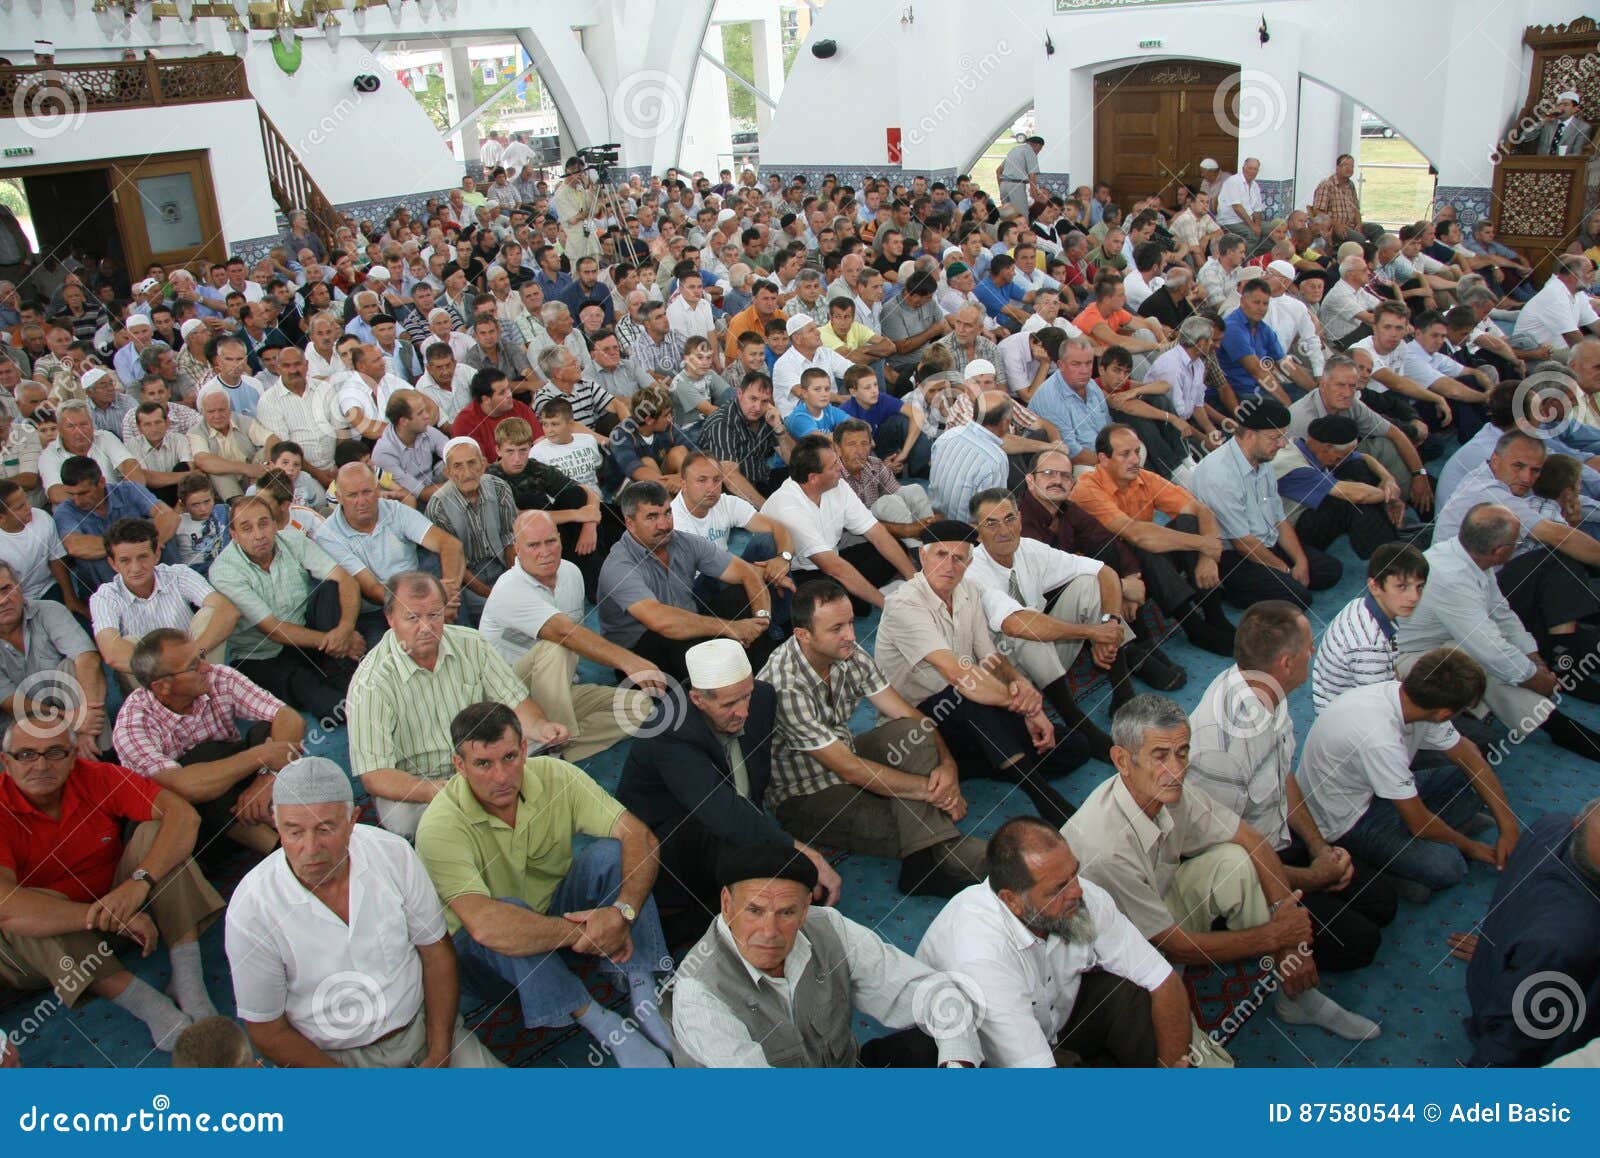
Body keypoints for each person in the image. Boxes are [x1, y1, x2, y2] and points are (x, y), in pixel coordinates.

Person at [1066, 695, 1380, 1042]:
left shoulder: (1168, 790)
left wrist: (1285, 922)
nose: (1176, 768)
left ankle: (1296, 999)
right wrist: (1279, 935)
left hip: (1155, 907)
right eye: (1160, 756)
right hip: (1107, 960)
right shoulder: (1105, 847)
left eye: (1182, 752)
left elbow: (1252, 840)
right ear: (1122, 760)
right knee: (1197, 1064)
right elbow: (1177, 946)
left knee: (1236, 861)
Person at [414, 701, 675, 1067]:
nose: (501, 776)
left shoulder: (555, 775)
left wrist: (623, 912)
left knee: (611, 854)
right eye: (483, 764)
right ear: (459, 766)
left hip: (558, 913)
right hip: (487, 959)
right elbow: (485, 925)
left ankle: (641, 987)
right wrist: (586, 933)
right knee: (503, 918)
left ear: (524, 749)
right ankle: (601, 1022)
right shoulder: (439, 825)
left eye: (509, 757)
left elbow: (639, 837)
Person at [226, 756, 502, 1068]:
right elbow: (268, 1030)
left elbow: (436, 953)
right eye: (294, 832)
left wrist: (439, 1050)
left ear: (353, 820)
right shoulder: (251, 909)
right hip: (331, 1061)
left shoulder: (394, 855)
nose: (311, 848)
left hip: (423, 1028)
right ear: (276, 823)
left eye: (325, 828)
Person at [1188, 602, 1398, 973]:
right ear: (1286, 663)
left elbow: (1284, 776)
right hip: (1244, 869)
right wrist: (1313, 878)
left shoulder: (1266, 689)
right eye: (1308, 647)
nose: (1314, 653)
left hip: (1277, 838)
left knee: (1384, 902)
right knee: (1362, 944)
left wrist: (1319, 848)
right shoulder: (1219, 749)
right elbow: (1228, 858)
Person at [0, 708, 226, 1051]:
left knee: (157, 833)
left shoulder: (97, 775)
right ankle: (151, 1008)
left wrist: (139, 882)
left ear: (73, 756)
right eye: (26, 755)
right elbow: (7, 905)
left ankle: (189, 981)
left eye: (55, 753)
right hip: (43, 953)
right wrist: (108, 915)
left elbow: (183, 816)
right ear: (6, 761)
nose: (41, 765)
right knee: (22, 907)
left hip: (125, 910)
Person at [755, 578, 987, 897]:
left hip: (848, 752)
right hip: (806, 795)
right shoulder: (785, 684)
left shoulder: (846, 650)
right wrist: (932, 793)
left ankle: (924, 859)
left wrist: (949, 767)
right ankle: (965, 862)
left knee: (913, 733)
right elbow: (848, 769)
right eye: (837, 628)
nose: (851, 634)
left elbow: (906, 713)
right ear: (803, 635)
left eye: (850, 622)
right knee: (915, 826)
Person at [670, 841, 983, 1068]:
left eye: (787, 912)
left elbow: (933, 995)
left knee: (941, 1044)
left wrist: (957, 1066)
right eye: (754, 910)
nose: (769, 931)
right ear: (726, 904)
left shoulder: (828, 926)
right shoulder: (697, 991)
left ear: (807, 907)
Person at [916, 817, 1194, 1067]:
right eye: (1059, 888)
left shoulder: (1082, 898)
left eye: (1074, 873)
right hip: (993, 1058)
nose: (1077, 891)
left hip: (1054, 1022)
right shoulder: (980, 953)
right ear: (1012, 901)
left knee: (1131, 994)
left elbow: (1164, 982)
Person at [617, 636, 843, 920]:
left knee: (795, 883)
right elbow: (720, 812)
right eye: (729, 705)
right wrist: (800, 852)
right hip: (668, 837)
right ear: (697, 699)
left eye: (746, 695)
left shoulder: (761, 697)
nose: (744, 712)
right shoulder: (668, 732)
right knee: (782, 885)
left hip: (725, 814)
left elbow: (749, 790)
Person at [878, 520, 1087, 828]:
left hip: (969, 704)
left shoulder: (969, 591)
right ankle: (1044, 798)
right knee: (965, 700)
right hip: (916, 724)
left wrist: (1020, 684)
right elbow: (957, 674)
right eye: (941, 555)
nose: (949, 565)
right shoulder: (903, 604)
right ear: (922, 557)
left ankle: (983, 761)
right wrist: (1023, 707)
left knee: (1073, 747)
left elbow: (990, 658)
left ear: (969, 562)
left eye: (959, 558)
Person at [346, 571, 568, 839]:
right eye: (413, 618)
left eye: (434, 615)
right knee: (402, 819)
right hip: (422, 781)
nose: (426, 627)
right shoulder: (370, 683)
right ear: (390, 619)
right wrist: (434, 789)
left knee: (538, 746)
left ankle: (492, 811)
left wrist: (542, 727)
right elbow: (375, 774)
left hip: (482, 760)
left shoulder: (471, 643)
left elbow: (516, 703)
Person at [1296, 648, 1519, 903]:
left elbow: (1469, 757)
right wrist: (1473, 848)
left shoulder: (1411, 697)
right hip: (1345, 821)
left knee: (1468, 777)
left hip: (1376, 792)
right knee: (1449, 867)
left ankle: (1420, 845)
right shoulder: (1381, 738)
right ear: (1445, 714)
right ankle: (1389, 869)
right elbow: (1419, 822)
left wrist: (1508, 827)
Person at [1395, 505, 1600, 761]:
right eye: (1517, 541)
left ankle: (1548, 722)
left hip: (1444, 641)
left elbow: (1502, 613)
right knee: (1483, 661)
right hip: (1403, 658)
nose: (1520, 544)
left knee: (1495, 658)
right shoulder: (1450, 577)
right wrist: (1537, 680)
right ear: (1500, 551)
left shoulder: (1471, 557)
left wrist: (1534, 660)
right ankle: (1560, 729)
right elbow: (1491, 649)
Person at [967, 487, 1147, 759]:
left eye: (1009, 518)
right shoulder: (973, 570)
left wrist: (1109, 623)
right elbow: (1016, 625)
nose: (1003, 530)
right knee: (1026, 628)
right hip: (1003, 672)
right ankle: (1074, 719)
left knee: (1088, 583)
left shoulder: (1029, 548)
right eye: (990, 523)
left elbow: (1103, 571)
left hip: (1044, 658)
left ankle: (1122, 692)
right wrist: (1091, 632)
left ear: (1020, 517)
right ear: (976, 530)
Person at [478, 511, 655, 759]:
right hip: (511, 699)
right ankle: (549, 744)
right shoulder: (509, 589)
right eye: (533, 545)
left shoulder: (571, 573)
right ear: (517, 549)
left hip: (558, 689)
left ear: (560, 540)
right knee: (556, 646)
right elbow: (566, 634)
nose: (545, 551)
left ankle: (553, 746)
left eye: (550, 541)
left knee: (641, 707)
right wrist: (629, 661)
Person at [112, 628, 301, 857]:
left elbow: (288, 716)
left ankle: (290, 819)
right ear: (162, 686)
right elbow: (184, 786)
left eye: (201, 655)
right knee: (200, 773)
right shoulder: (132, 726)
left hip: (239, 788)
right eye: (193, 666)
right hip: (194, 827)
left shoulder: (217, 677)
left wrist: (266, 778)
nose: (207, 667)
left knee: (267, 731)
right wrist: (261, 756)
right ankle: (282, 852)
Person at [1070, 427, 1238, 656]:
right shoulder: (1087, 488)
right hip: (1114, 572)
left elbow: (1200, 510)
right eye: (1125, 454)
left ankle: (1214, 614)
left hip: (1147, 558)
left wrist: (1207, 556)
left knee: (1188, 522)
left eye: (1137, 452)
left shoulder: (1144, 477)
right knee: (1143, 544)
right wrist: (1202, 544)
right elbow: (1136, 534)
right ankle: (1193, 627)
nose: (1135, 460)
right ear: (1103, 459)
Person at [1460, 801, 1600, 1066]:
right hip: (1520, 1004)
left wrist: (1505, 953)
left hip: (1504, 967)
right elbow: (1511, 1041)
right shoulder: (1572, 941)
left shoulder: (1553, 822)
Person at [598, 480, 779, 682]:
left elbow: (745, 572)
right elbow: (660, 621)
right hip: (641, 652)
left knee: (740, 595)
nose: (664, 524)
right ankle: (719, 691)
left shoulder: (683, 541)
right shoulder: (618, 566)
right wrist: (730, 627)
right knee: (672, 635)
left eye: (667, 513)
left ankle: (765, 681)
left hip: (689, 628)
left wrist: (760, 620)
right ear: (630, 524)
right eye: (652, 517)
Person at [206, 494, 366, 718]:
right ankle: (346, 691)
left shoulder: (293, 540)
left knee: (331, 588)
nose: (259, 534)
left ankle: (341, 667)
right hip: (263, 655)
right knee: (317, 694)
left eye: (263, 524)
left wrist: (346, 629)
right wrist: (339, 641)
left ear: (274, 524)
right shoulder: (224, 571)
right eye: (247, 528)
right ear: (234, 535)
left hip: (310, 636)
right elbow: (273, 629)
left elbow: (345, 579)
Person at [1189, 398, 1341, 608]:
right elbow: (1242, 543)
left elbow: (1279, 518)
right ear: (1250, 435)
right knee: (1297, 597)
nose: (1283, 444)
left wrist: (1300, 561)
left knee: (1329, 570)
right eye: (1275, 437)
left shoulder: (1264, 460)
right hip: (1233, 555)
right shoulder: (1219, 474)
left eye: (1283, 436)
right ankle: (1231, 590)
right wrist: (1286, 570)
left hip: (1266, 541)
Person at [761, 433, 916, 614]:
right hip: (796, 574)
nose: (840, 469)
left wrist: (917, 583)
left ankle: (861, 596)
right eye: (834, 465)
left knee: (894, 547)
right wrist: (886, 606)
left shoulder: (837, 485)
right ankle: (866, 599)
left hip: (832, 559)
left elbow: (876, 532)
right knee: (836, 605)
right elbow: (834, 568)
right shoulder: (788, 508)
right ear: (813, 478)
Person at [315, 462, 466, 640]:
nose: (361, 501)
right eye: (352, 495)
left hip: (424, 594)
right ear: (339, 497)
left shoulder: (395, 510)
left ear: (377, 490)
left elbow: (450, 545)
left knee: (459, 635)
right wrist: (429, 600)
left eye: (367, 492)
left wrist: (448, 596)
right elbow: (372, 589)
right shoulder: (328, 535)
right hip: (378, 611)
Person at [89, 518, 237, 675]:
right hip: (152, 679)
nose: (136, 568)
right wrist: (171, 669)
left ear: (157, 554)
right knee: (126, 643)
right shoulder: (104, 597)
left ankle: (211, 687)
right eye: (125, 560)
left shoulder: (178, 574)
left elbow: (227, 610)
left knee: (211, 613)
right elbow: (111, 653)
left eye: (143, 557)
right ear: (113, 564)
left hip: (196, 665)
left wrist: (193, 654)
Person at [0, 563, 108, 756]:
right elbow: (10, 702)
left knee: (73, 667)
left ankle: (100, 756)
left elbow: (87, 658)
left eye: (6, 588)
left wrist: (85, 720)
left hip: (69, 705)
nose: (3, 600)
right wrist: (68, 718)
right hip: (19, 721)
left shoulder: (49, 610)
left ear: (20, 586)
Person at [1310, 541, 1429, 711]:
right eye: (1402, 587)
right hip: (1350, 724)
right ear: (1374, 586)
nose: (1414, 597)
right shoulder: (1370, 646)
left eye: (1419, 587)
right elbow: (1379, 710)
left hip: (1349, 703)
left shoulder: (1361, 604)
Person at [1270, 414, 1406, 560]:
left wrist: (1388, 479)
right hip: (1286, 531)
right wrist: (1390, 496)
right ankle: (1389, 559)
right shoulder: (1293, 466)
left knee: (1357, 467)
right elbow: (1360, 496)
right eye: (1340, 457)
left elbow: (1364, 457)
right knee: (1347, 503)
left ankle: (1391, 539)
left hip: (1307, 511)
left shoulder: (1306, 446)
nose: (1340, 461)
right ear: (1327, 448)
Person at [424, 437, 518, 626]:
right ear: (448, 473)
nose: (467, 473)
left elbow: (510, 538)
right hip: (466, 581)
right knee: (497, 614)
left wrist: (513, 578)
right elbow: (455, 562)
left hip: (503, 568)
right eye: (457, 466)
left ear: (483, 465)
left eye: (472, 463)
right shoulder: (438, 505)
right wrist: (490, 594)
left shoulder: (499, 488)